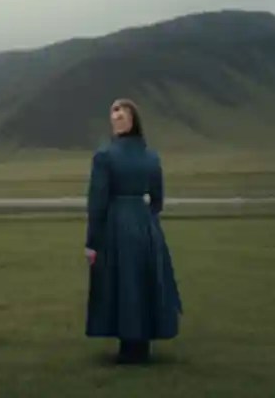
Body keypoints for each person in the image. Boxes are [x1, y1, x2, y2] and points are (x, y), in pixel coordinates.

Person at [84, 98, 182, 364]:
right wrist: (146, 216)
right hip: (146, 223)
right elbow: (158, 198)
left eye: (120, 115)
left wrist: (92, 241)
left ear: (130, 121)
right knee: (143, 279)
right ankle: (142, 346)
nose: (116, 119)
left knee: (123, 282)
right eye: (113, 114)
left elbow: (97, 201)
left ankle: (129, 349)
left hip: (117, 221)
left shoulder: (104, 156)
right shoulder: (151, 156)